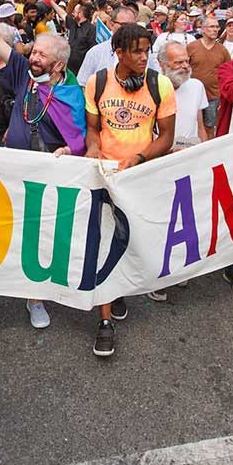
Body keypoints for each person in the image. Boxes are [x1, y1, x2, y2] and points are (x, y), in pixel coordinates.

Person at [0, 0, 85, 329]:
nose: (34, 56)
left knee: (36, 236)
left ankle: (34, 298)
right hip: (8, 169)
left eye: (41, 54)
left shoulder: (72, 93)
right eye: (34, 50)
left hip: (44, 178)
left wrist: (70, 151)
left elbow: (80, 139)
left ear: (58, 65)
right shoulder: (22, 74)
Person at [84, 23, 176, 357]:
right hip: (106, 176)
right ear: (118, 52)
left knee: (131, 239)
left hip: (141, 176)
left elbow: (166, 137)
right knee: (102, 242)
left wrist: (139, 157)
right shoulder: (97, 84)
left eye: (146, 50)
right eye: (135, 51)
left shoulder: (159, 85)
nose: (143, 57)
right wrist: (93, 148)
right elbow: (93, 129)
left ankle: (119, 287)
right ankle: (105, 321)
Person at [76, 5, 160, 84]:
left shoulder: (146, 53)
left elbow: (156, 80)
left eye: (132, 25)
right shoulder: (95, 53)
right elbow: (82, 84)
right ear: (111, 24)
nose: (129, 29)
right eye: (124, 25)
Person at [186, 16, 229, 139]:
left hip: (213, 96)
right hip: (193, 95)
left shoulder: (222, 50)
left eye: (217, 27)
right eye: (211, 26)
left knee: (210, 126)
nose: (215, 29)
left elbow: (227, 73)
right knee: (192, 126)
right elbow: (183, 68)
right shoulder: (192, 47)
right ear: (203, 29)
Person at [161, 42, 208, 147]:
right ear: (162, 64)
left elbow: (200, 126)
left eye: (187, 61)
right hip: (163, 158)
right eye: (178, 62)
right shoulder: (152, 89)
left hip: (191, 155)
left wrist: (206, 155)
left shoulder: (197, 86)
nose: (185, 66)